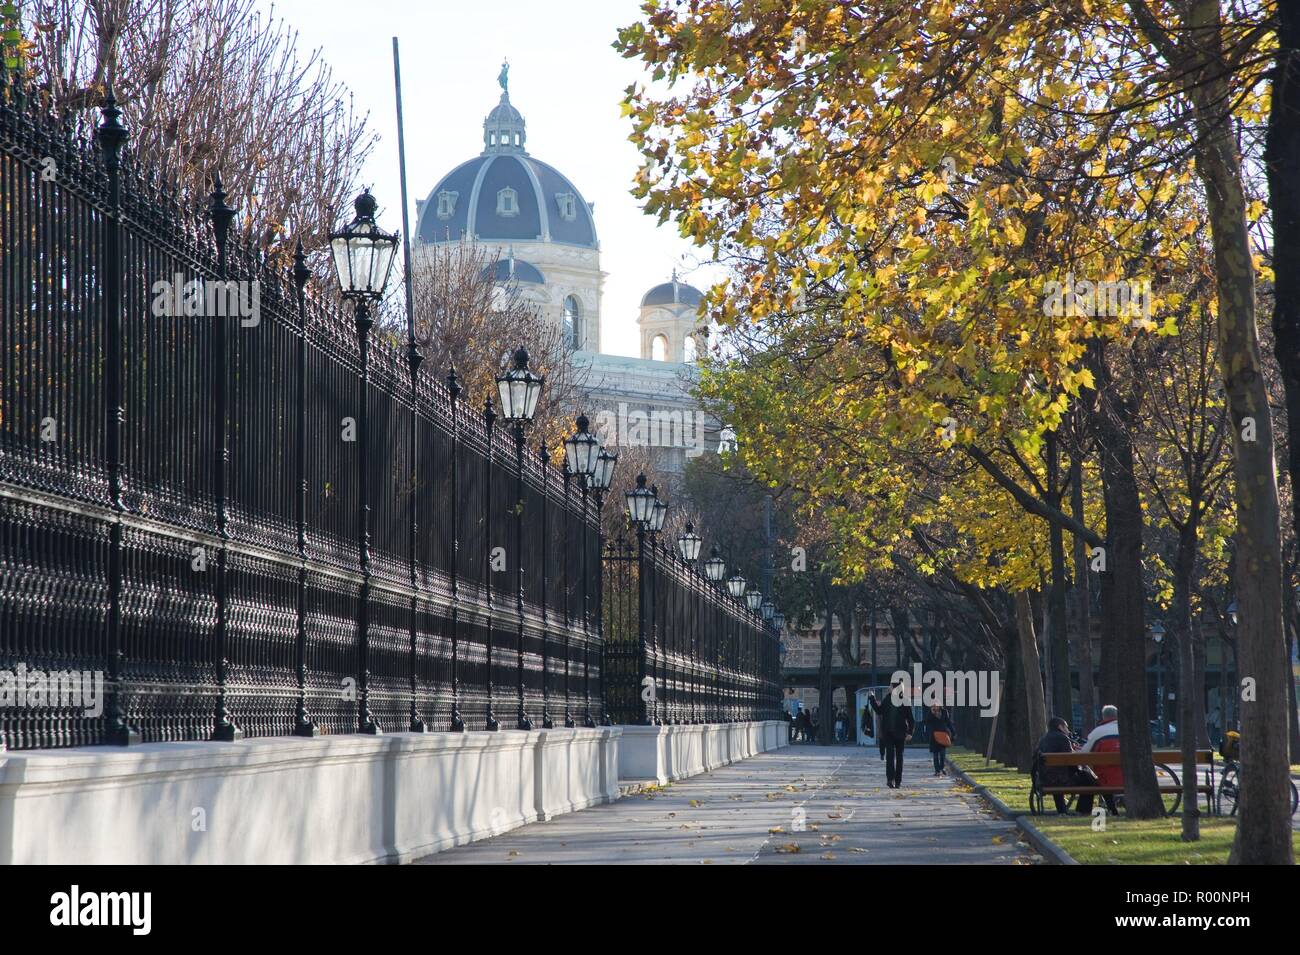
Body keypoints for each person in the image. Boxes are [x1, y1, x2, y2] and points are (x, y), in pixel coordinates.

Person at [1077, 704, 1121, 816]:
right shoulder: (1128, 730)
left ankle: (1111, 809)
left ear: (1103, 717)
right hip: (1128, 777)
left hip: (1105, 778)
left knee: (1098, 777)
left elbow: (1083, 754)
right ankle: (1113, 809)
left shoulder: (1098, 732)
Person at [869, 683, 914, 788]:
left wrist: (910, 732)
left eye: (890, 686)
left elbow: (911, 718)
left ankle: (898, 781)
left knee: (899, 757)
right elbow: (879, 710)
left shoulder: (905, 700)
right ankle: (890, 779)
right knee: (889, 756)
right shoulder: (887, 698)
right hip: (888, 733)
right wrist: (872, 698)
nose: (889, 688)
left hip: (900, 733)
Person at [1034, 716, 1080, 813]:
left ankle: (1062, 811)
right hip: (1064, 780)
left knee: (1055, 773)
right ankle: (1083, 810)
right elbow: (1071, 760)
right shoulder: (1063, 738)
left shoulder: (1043, 739)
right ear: (1060, 727)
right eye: (1066, 727)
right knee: (1089, 780)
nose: (1068, 730)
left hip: (1045, 780)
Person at [922, 703, 955, 775]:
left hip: (943, 735)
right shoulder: (930, 712)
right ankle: (937, 770)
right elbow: (926, 722)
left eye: (937, 705)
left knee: (942, 754)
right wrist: (932, 714)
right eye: (934, 705)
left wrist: (953, 732)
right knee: (935, 754)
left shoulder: (944, 712)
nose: (935, 706)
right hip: (933, 735)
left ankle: (941, 767)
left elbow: (948, 722)